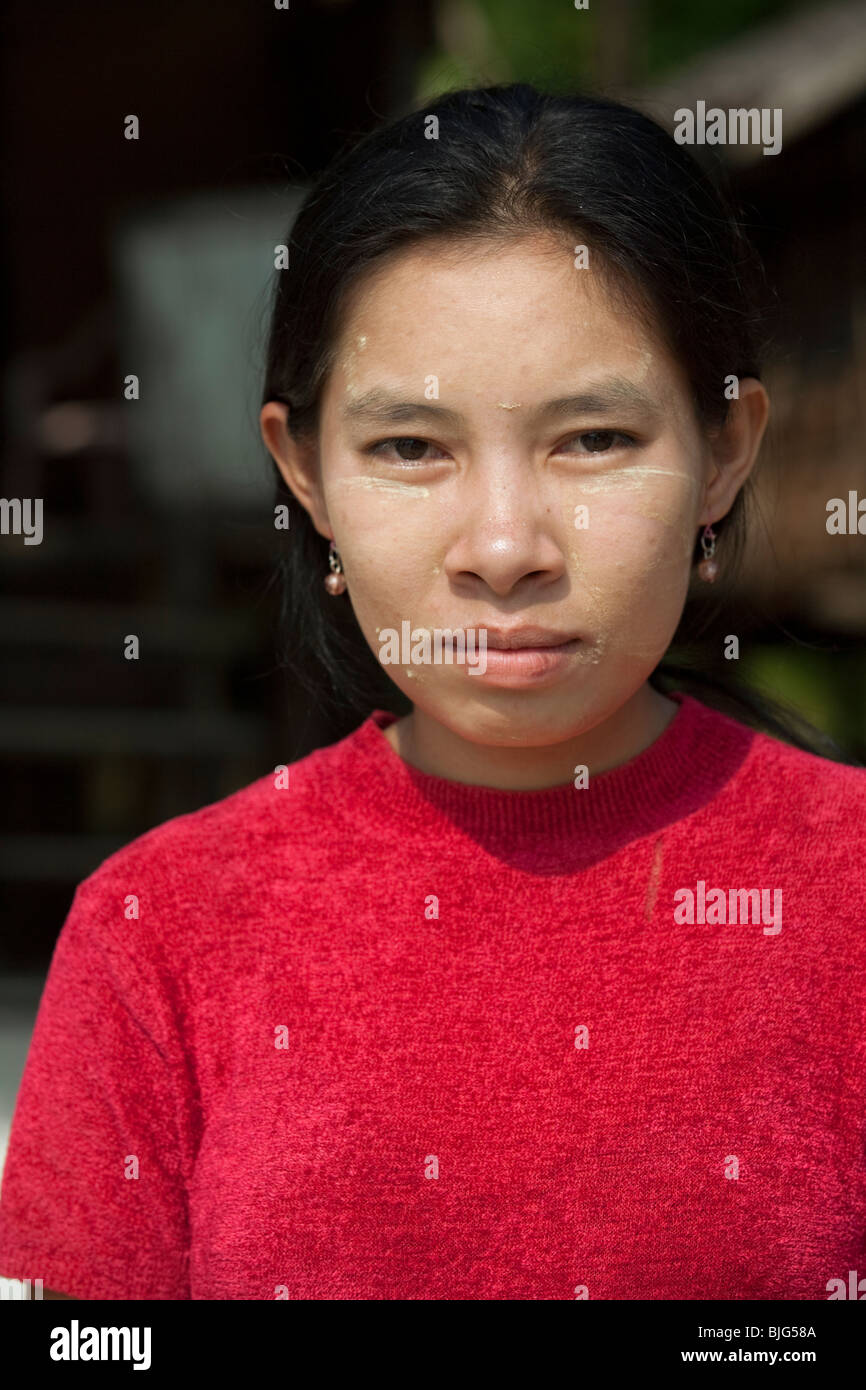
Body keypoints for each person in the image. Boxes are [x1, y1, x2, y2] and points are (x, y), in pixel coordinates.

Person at [2, 83, 865, 1301]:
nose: (503, 546)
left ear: (723, 447)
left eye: (594, 439)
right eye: (409, 448)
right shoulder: (159, 938)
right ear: (302, 469)